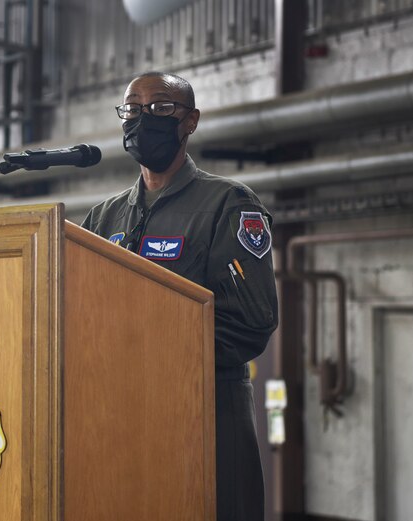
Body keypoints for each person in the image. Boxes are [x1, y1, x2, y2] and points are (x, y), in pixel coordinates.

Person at [81, 71, 278, 521]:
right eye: (132, 108)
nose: (143, 118)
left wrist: (149, 354)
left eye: (161, 107)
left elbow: (252, 323)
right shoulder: (102, 216)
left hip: (205, 418)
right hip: (118, 416)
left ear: (190, 121)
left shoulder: (228, 204)